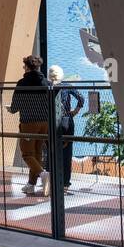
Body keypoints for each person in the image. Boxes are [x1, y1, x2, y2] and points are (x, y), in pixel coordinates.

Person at [7, 55, 51, 196]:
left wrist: (10, 108)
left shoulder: (22, 83)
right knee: (37, 153)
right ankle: (31, 185)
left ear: (27, 66)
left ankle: (43, 174)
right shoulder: (47, 83)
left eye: (24, 66)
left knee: (27, 154)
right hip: (45, 123)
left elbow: (15, 107)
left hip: (29, 123)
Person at [48, 66, 84, 194]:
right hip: (67, 121)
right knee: (67, 152)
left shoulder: (47, 87)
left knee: (51, 152)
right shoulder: (67, 86)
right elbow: (81, 98)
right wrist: (74, 112)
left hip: (51, 121)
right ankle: (65, 184)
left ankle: (52, 182)